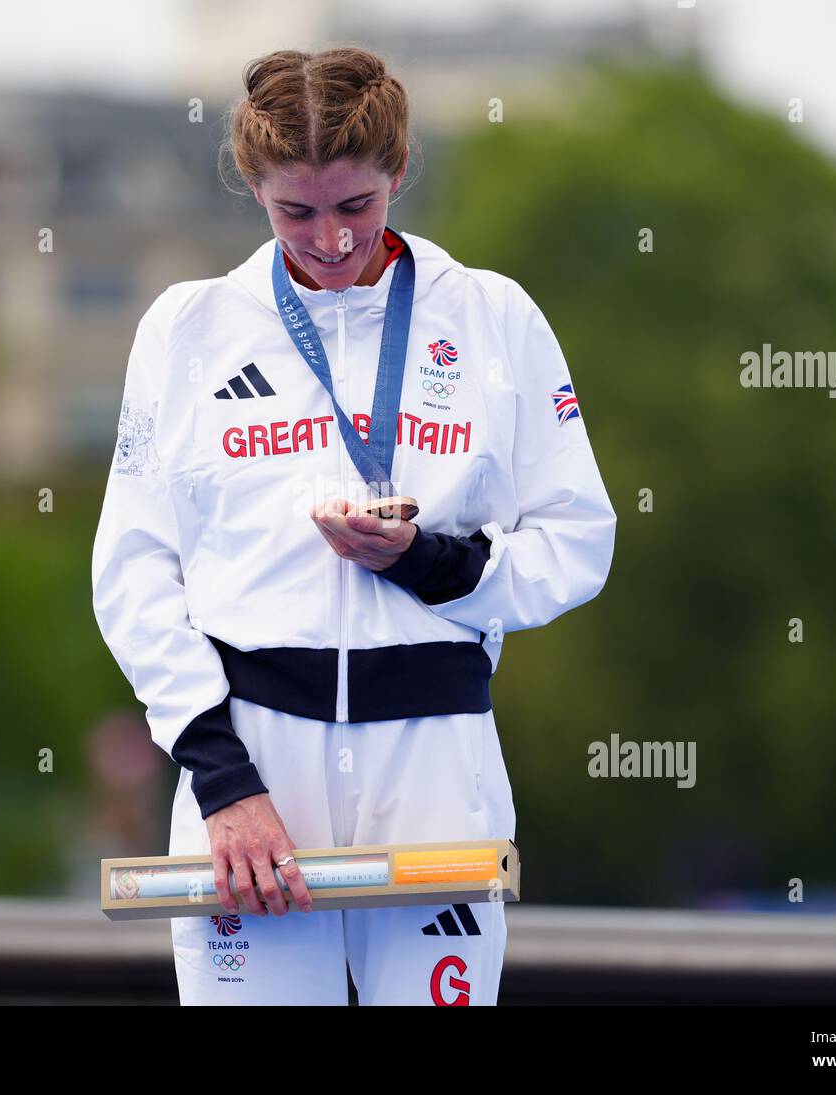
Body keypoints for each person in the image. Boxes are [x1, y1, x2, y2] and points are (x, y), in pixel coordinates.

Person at [92, 46, 617, 1006]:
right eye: (297, 210)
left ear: (399, 174)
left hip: (434, 760)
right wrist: (222, 780)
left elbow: (579, 538)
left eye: (356, 207)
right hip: (251, 764)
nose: (330, 239)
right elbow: (132, 572)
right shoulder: (188, 328)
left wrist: (434, 564)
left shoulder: (495, 316)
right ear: (253, 185)